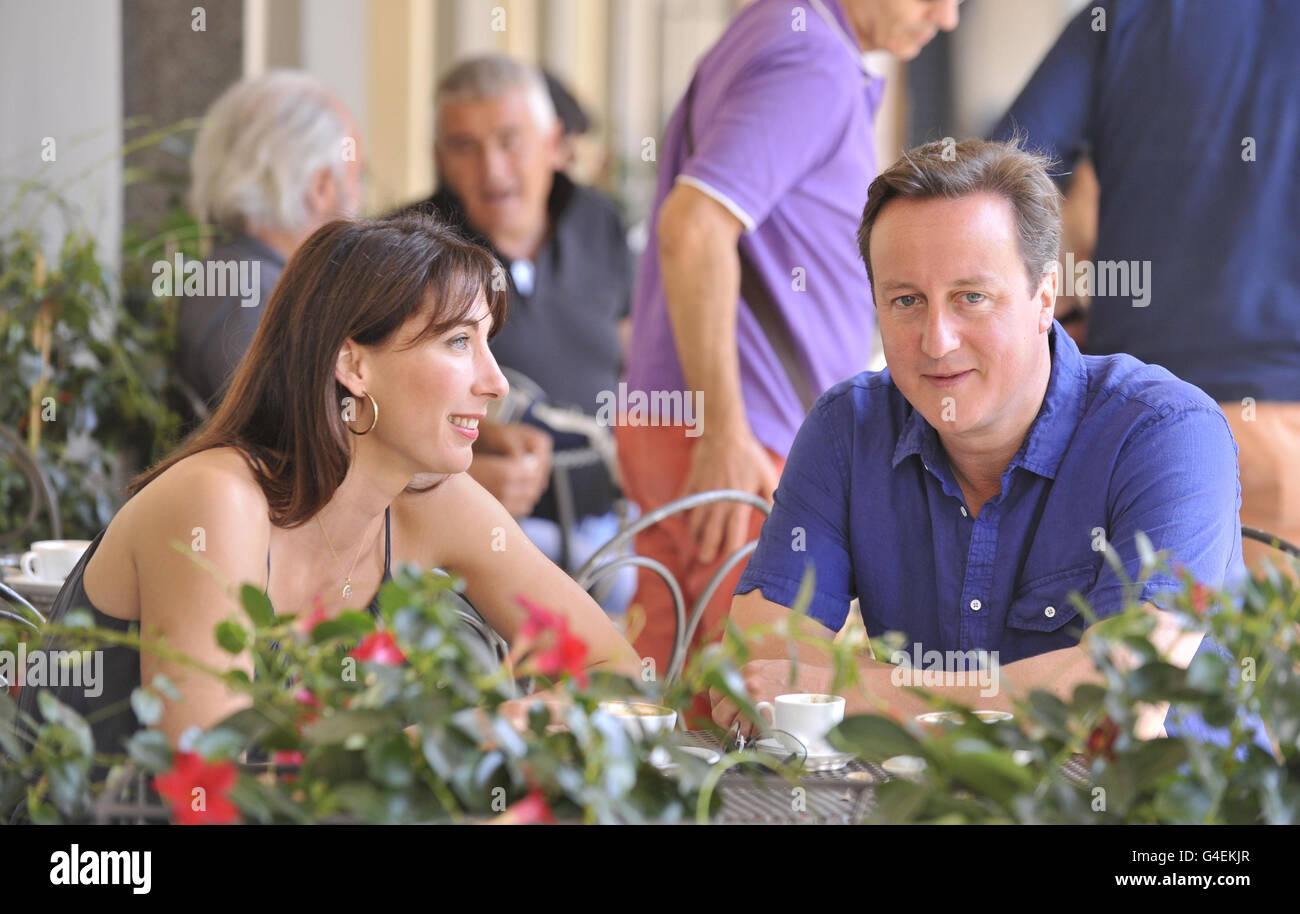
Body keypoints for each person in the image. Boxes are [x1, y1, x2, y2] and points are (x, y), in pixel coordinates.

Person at [19, 215, 641, 755]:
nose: (498, 383)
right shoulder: (217, 500)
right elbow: (212, 775)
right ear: (353, 364)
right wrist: (471, 735)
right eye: (458, 342)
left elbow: (614, 669)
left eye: (487, 342)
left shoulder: (432, 503)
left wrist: (509, 728)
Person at [712, 138, 1244, 741]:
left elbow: (1123, 696)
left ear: (1045, 298)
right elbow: (751, 671)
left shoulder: (1166, 430)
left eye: (972, 297)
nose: (936, 341)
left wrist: (845, 688)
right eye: (906, 300)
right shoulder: (847, 428)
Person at [621, 0, 960, 685]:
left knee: (671, 689)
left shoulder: (787, 31)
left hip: (710, 427)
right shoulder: (811, 58)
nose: (946, 16)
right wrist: (723, 432)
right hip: (739, 438)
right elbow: (694, 227)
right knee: (752, 697)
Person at [989, 0, 1300, 571]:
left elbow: (1000, 171)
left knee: (1146, 650)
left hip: (1143, 420)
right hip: (1287, 423)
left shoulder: (1125, 15)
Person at [400, 56, 636, 612]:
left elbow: (636, 357)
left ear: (555, 144)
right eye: (464, 146)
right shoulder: (408, 248)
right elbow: (365, 408)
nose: (492, 168)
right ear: (438, 158)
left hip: (607, 530)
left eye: (511, 141)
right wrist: (457, 471)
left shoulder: (598, 222)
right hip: (462, 539)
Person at [178, 70, 363, 407]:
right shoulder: (259, 299)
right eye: (355, 177)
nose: (359, 198)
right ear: (321, 187)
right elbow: (298, 452)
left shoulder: (237, 277)